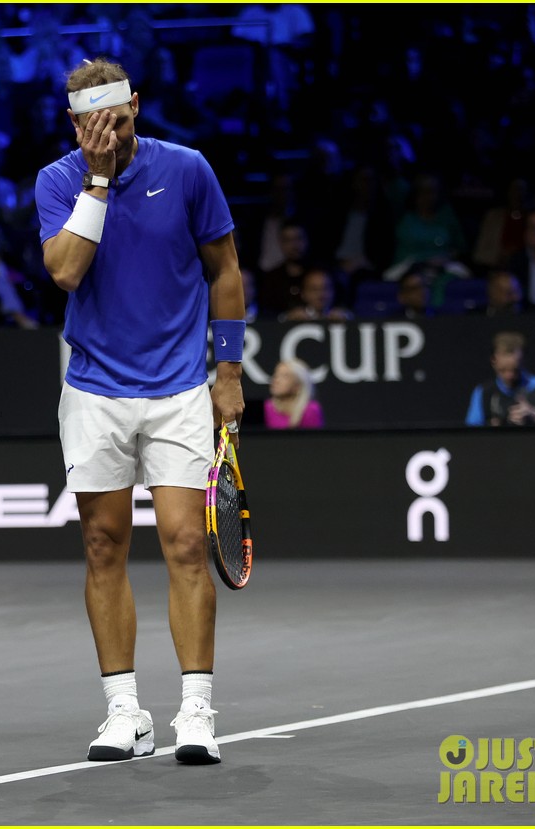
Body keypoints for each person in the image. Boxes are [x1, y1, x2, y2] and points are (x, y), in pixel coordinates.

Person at [35, 58, 245, 766]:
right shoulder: (58, 181)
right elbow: (65, 270)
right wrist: (96, 179)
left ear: (137, 106)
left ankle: (196, 708)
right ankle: (125, 709)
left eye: (120, 119)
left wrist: (229, 370)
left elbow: (226, 269)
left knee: (187, 543)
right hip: (94, 390)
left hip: (181, 388)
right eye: (97, 124)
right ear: (75, 123)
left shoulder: (186, 170)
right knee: (104, 545)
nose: (112, 133)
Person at [465, 331, 535, 427]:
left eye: (515, 371)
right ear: (493, 361)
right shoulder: (483, 392)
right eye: (503, 370)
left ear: (523, 361)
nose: (509, 376)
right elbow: (471, 433)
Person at [264, 359, 324, 429]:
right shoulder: (266, 408)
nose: (276, 380)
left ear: (298, 385)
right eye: (276, 375)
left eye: (284, 376)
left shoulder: (310, 410)